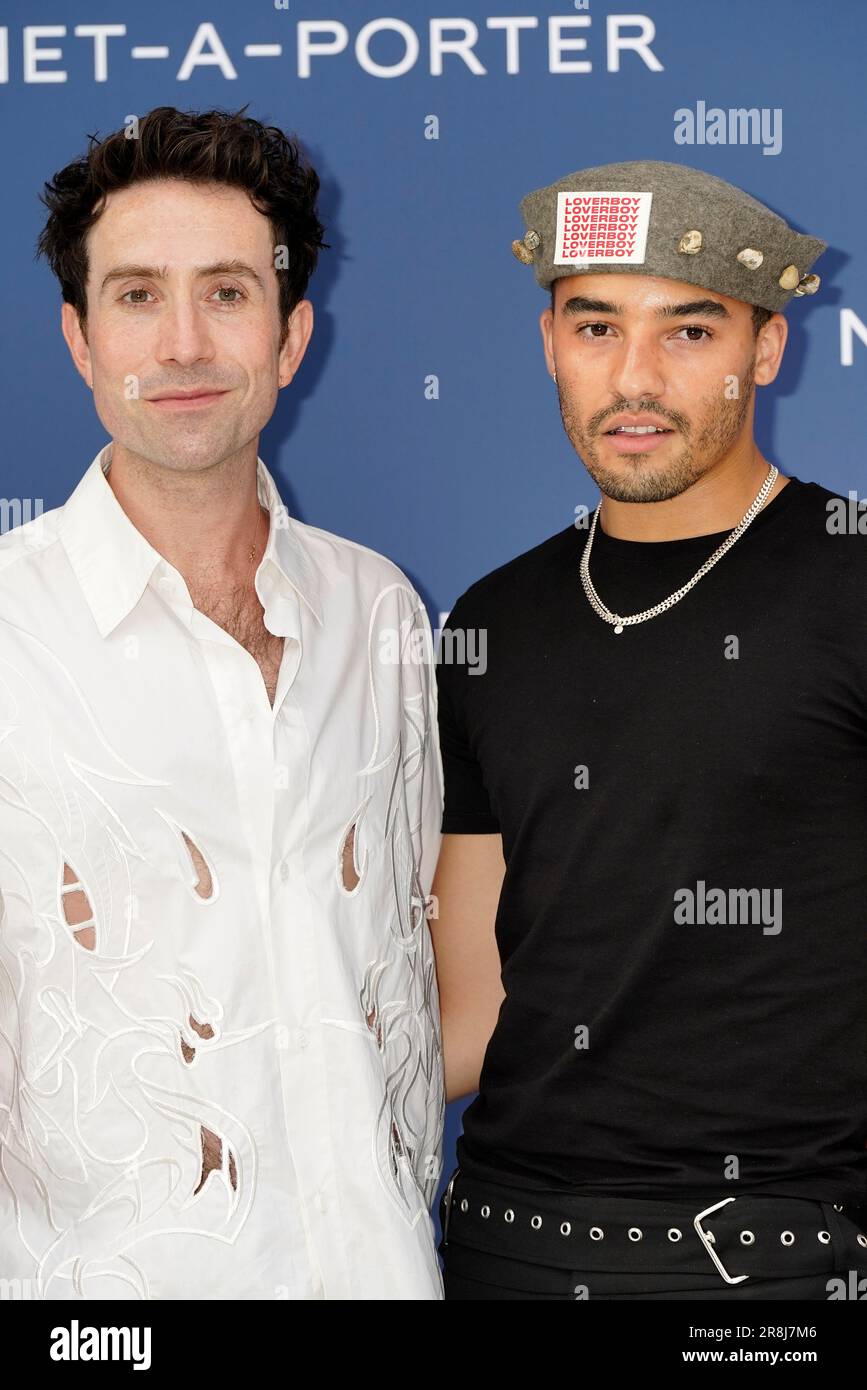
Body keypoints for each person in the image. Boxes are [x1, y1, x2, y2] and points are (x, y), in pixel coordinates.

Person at [0, 105, 444, 1301]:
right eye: (137, 295)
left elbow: (410, 964)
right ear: (79, 339)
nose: (184, 342)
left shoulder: (380, 613)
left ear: (292, 336)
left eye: (229, 293)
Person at [431, 159, 867, 1300]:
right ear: (548, 344)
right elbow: (470, 1013)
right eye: (595, 326)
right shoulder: (490, 621)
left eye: (688, 330)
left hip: (777, 1260)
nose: (634, 378)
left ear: (765, 350)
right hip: (504, 1244)